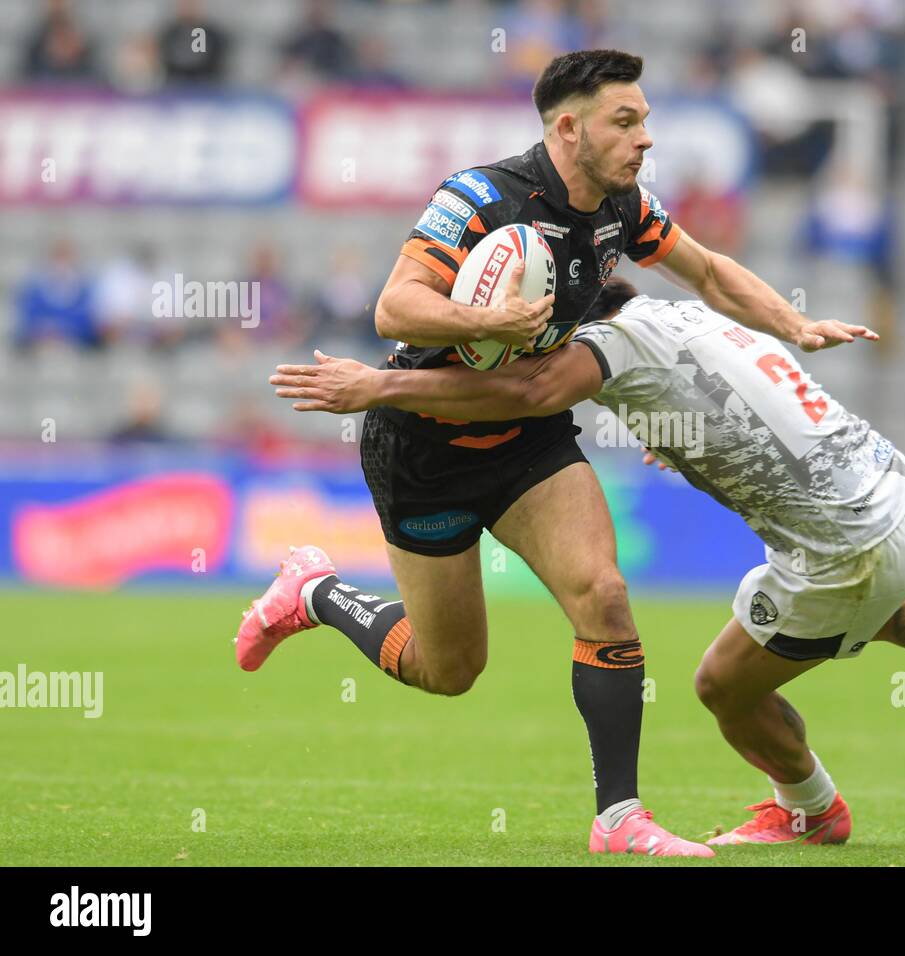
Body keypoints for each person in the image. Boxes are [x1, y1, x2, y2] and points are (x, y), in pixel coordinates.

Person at [237, 49, 870, 858]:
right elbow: (396, 306)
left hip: (528, 437)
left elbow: (707, 273)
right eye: (626, 121)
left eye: (645, 120)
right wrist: (485, 325)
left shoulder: (623, 208)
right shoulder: (481, 196)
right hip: (422, 444)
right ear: (569, 129)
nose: (646, 139)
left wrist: (794, 325)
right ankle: (317, 591)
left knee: (603, 594)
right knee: (449, 668)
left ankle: (619, 818)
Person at [269, 278, 905, 848]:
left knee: (723, 687)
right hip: (894, 493)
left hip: (840, 551)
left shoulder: (608, 344)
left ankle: (811, 811)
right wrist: (683, 437)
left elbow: (526, 392)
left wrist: (378, 385)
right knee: (890, 608)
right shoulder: (681, 315)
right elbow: (724, 382)